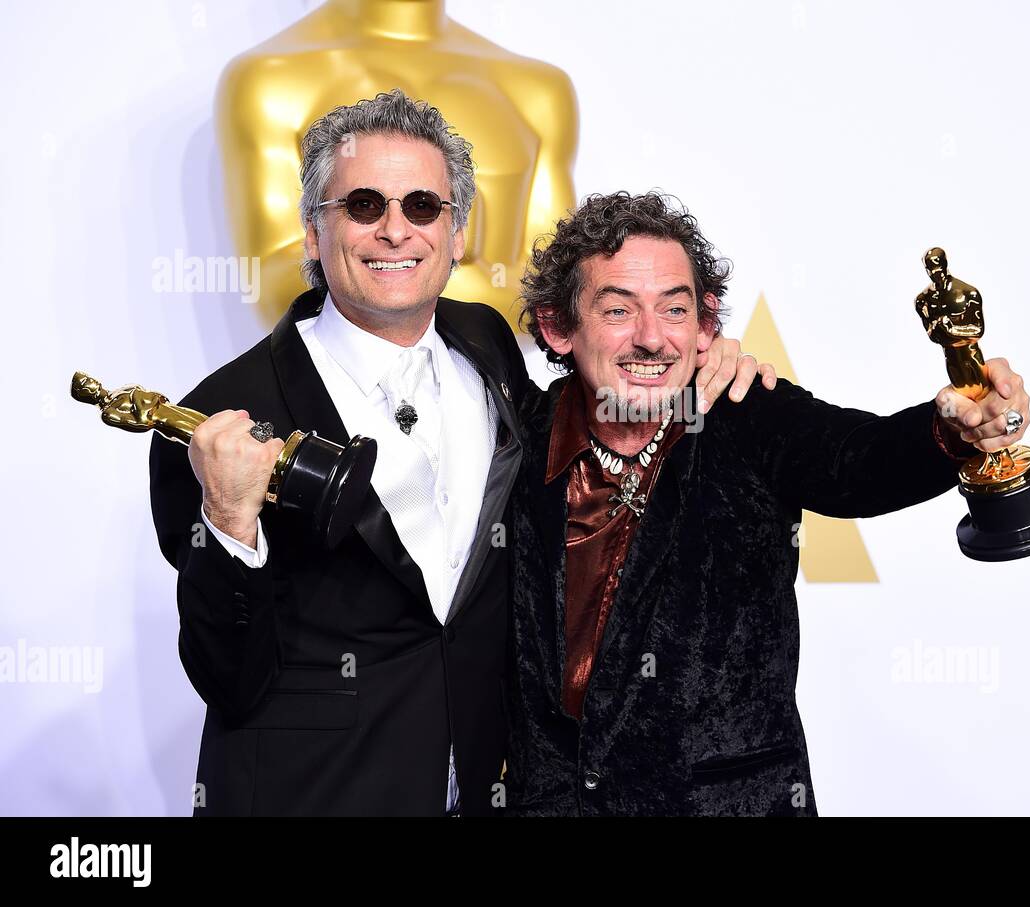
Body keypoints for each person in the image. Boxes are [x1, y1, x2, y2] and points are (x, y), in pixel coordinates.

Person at [148, 93, 770, 816]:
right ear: (314, 233)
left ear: (457, 232)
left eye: (421, 205)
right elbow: (228, 679)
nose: (393, 230)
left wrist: (697, 357)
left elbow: (590, 418)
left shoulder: (486, 345)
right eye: (361, 205)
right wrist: (228, 515)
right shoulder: (219, 415)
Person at [504, 191, 1030, 816]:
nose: (652, 339)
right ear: (557, 327)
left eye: (675, 311)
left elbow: (856, 460)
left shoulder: (747, 416)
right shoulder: (508, 441)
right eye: (618, 310)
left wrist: (952, 426)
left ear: (705, 327)